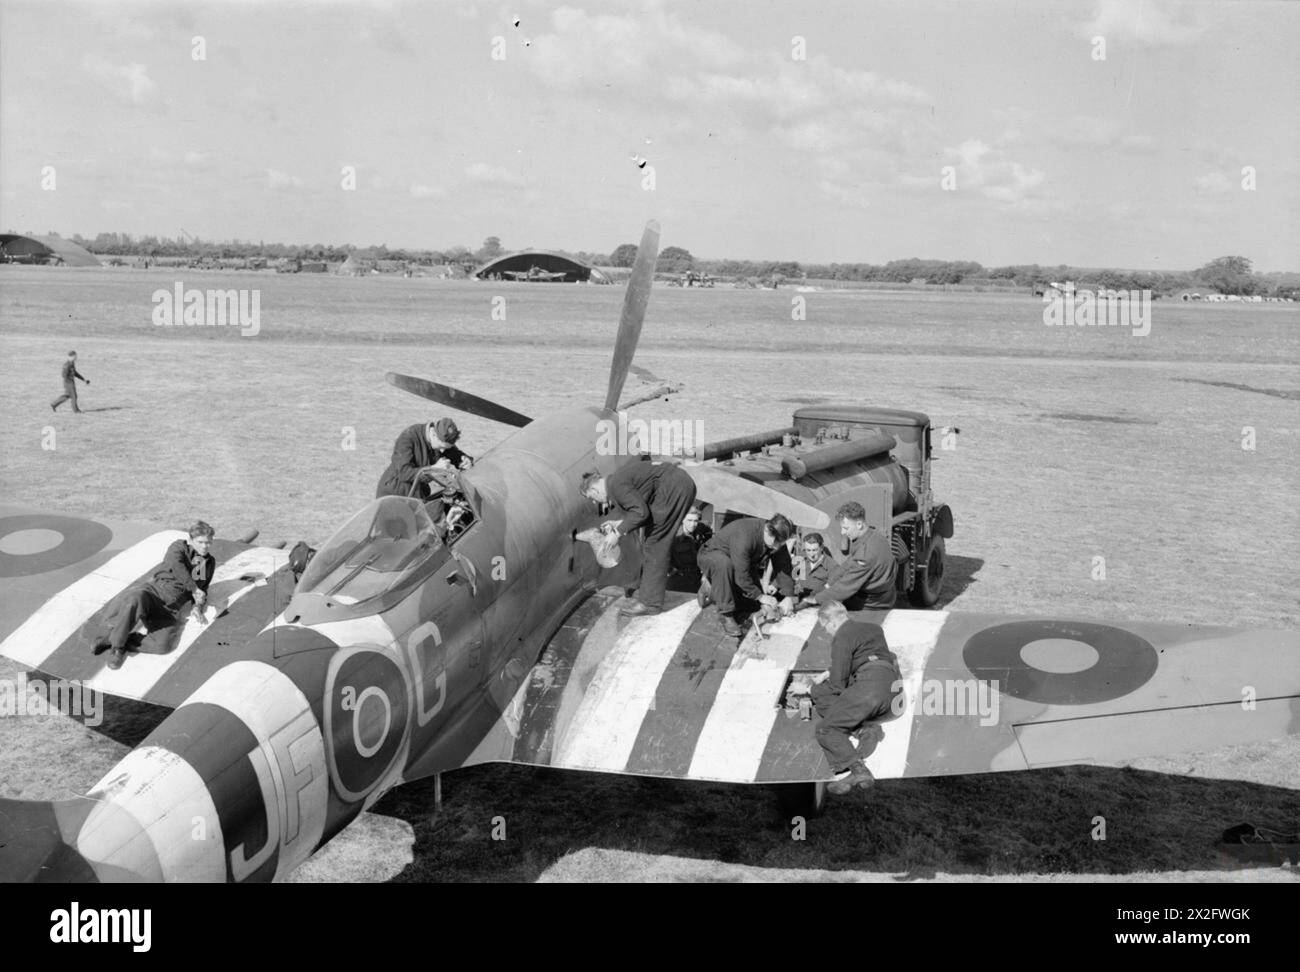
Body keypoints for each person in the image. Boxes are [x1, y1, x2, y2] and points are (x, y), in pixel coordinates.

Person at [93, 521, 218, 671]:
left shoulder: (208, 562)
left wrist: (197, 606)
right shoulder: (178, 547)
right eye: (201, 542)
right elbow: (176, 566)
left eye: (209, 543)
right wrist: (193, 588)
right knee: (135, 599)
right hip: (154, 593)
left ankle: (113, 639)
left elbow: (203, 589)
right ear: (191, 540)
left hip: (171, 608)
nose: (205, 546)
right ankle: (117, 648)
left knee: (163, 646)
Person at [580, 460, 697, 617]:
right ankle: (649, 597)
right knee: (653, 540)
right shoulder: (616, 480)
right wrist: (620, 523)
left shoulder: (616, 486)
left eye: (592, 498)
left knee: (655, 545)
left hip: (673, 490)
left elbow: (641, 513)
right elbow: (641, 510)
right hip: (677, 486)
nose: (595, 502)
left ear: (594, 489)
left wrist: (617, 533)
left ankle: (650, 604)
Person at [811, 601, 904, 794]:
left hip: (869, 689)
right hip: (891, 690)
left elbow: (838, 683)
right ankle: (864, 734)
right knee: (830, 700)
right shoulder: (874, 629)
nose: (827, 632)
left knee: (826, 729)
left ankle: (857, 769)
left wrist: (810, 688)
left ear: (831, 622)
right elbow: (870, 657)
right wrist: (826, 674)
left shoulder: (841, 636)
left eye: (824, 627)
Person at [696, 514, 793, 636]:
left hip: (740, 564)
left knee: (752, 606)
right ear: (767, 529)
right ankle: (726, 614)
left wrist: (789, 596)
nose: (777, 546)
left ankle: (713, 586)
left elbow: (784, 566)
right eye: (776, 542)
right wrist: (761, 596)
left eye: (781, 543)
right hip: (712, 556)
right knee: (724, 564)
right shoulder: (745, 535)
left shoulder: (777, 536)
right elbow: (740, 574)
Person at [814, 501, 898, 610]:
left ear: (859, 524)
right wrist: (828, 584)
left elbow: (845, 587)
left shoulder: (866, 553)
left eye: (846, 528)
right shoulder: (873, 535)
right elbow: (849, 563)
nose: (842, 532)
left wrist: (814, 599)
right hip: (883, 596)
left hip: (873, 604)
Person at [376, 418, 472, 502]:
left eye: (445, 448)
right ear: (434, 434)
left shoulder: (440, 440)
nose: (442, 451)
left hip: (417, 493)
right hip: (394, 494)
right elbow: (404, 473)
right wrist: (433, 468)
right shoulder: (408, 438)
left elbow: (452, 452)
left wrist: (463, 459)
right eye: (441, 447)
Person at [668, 503, 712, 590]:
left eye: (695, 521)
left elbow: (706, 526)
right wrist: (671, 571)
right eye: (689, 520)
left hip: (696, 578)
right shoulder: (673, 537)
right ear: (682, 520)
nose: (692, 524)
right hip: (678, 580)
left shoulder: (699, 530)